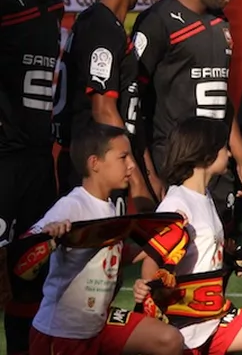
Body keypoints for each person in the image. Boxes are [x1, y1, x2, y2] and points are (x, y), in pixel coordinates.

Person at [136, 117, 242, 355]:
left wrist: (238, 255)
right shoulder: (175, 205)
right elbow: (151, 268)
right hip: (183, 329)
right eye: (225, 148)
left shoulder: (206, 196)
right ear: (206, 153)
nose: (230, 154)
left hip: (215, 318)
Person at [131, 0, 242, 231]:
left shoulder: (220, 23)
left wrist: (240, 153)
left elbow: (220, 94)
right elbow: (134, 100)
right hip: (176, 162)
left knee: (218, 256)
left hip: (217, 163)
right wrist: (148, 170)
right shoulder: (158, 21)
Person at [27, 123, 184, 355]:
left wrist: (163, 238)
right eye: (123, 157)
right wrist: (48, 234)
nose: (131, 165)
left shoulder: (109, 207)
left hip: (98, 327)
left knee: (168, 339)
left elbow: (114, 255)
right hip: (60, 335)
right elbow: (27, 247)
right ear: (95, 163)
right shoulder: (72, 205)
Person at [0, 0, 75, 354]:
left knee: (33, 278)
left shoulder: (54, 9)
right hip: (4, 164)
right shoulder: (4, 1)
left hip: (36, 165)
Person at [55, 0, 158, 212]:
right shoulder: (102, 27)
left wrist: (145, 167)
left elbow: (127, 111)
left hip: (108, 163)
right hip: (96, 172)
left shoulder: (98, 23)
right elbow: (103, 109)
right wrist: (136, 180)